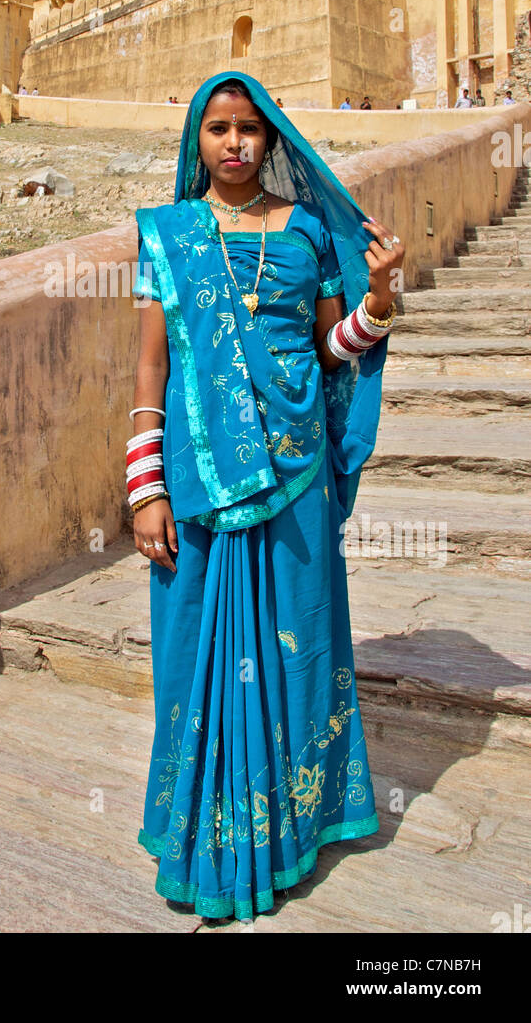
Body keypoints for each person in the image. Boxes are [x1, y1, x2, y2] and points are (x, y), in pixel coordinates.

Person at [129, 70, 404, 923]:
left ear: (271, 139)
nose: (236, 142)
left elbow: (332, 348)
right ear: (196, 141)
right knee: (193, 650)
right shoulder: (171, 237)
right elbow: (151, 367)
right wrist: (145, 488)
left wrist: (382, 295)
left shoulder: (310, 233)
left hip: (295, 476)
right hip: (201, 475)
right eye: (218, 128)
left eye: (250, 128)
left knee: (300, 642)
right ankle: (207, 839)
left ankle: (294, 829)